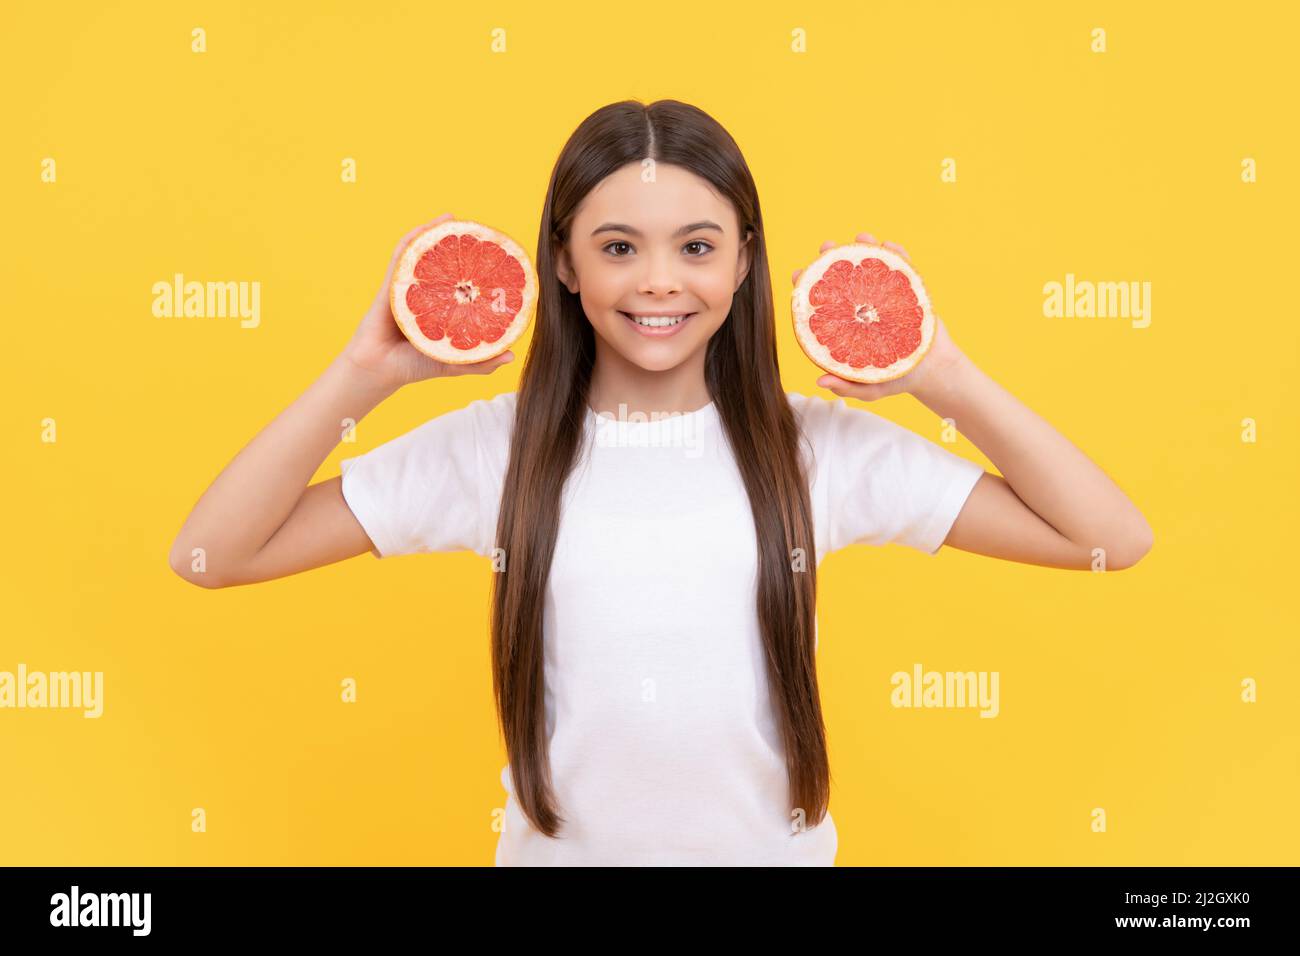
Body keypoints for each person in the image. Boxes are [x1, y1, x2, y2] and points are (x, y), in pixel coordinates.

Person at [169, 99, 1153, 866]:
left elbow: (1108, 535)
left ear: (742, 262)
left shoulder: (820, 450)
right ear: (563, 261)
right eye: (616, 246)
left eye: (695, 245)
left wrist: (941, 372)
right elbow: (212, 553)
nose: (657, 283)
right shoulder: (494, 451)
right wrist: (363, 373)